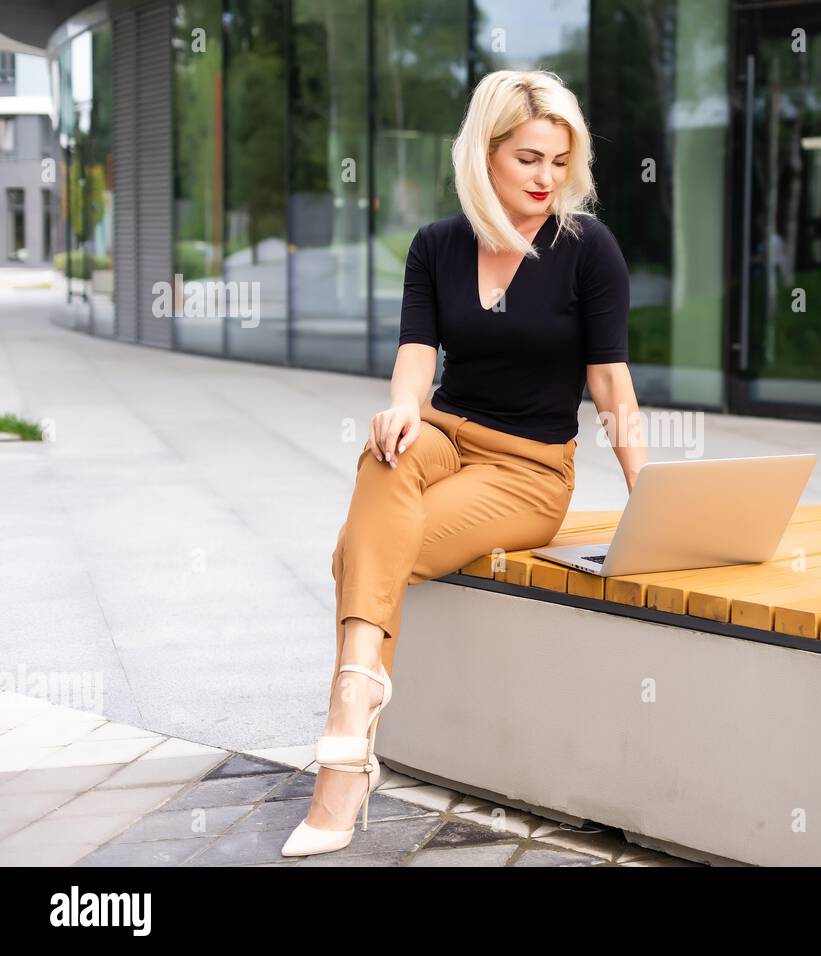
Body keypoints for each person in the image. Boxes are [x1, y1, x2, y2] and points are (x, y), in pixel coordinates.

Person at [282, 69, 647, 857]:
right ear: (483, 156)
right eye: (528, 159)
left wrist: (647, 495)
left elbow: (611, 382)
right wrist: (404, 410)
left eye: (559, 160)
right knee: (384, 456)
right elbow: (417, 356)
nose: (548, 178)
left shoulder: (588, 251)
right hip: (445, 437)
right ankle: (352, 717)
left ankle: (345, 755)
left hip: (528, 470)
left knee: (358, 552)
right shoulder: (437, 246)